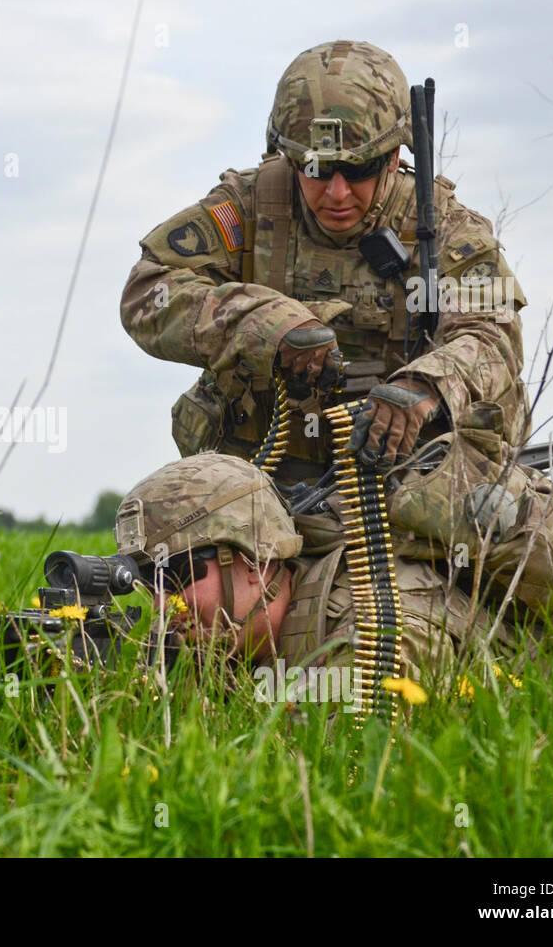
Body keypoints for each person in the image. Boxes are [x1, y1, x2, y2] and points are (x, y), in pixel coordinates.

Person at [119, 40, 528, 482]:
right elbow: (149, 291)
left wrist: (425, 384)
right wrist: (267, 326)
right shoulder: (252, 208)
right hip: (263, 480)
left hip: (407, 478)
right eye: (315, 169)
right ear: (290, 158)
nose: (336, 192)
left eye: (356, 171)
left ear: (394, 157)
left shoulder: (441, 226)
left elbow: (493, 332)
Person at [113, 453, 512, 686]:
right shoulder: (215, 642)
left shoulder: (375, 633)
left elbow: (343, 777)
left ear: (255, 560)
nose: (164, 606)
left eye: (176, 575)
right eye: (149, 582)